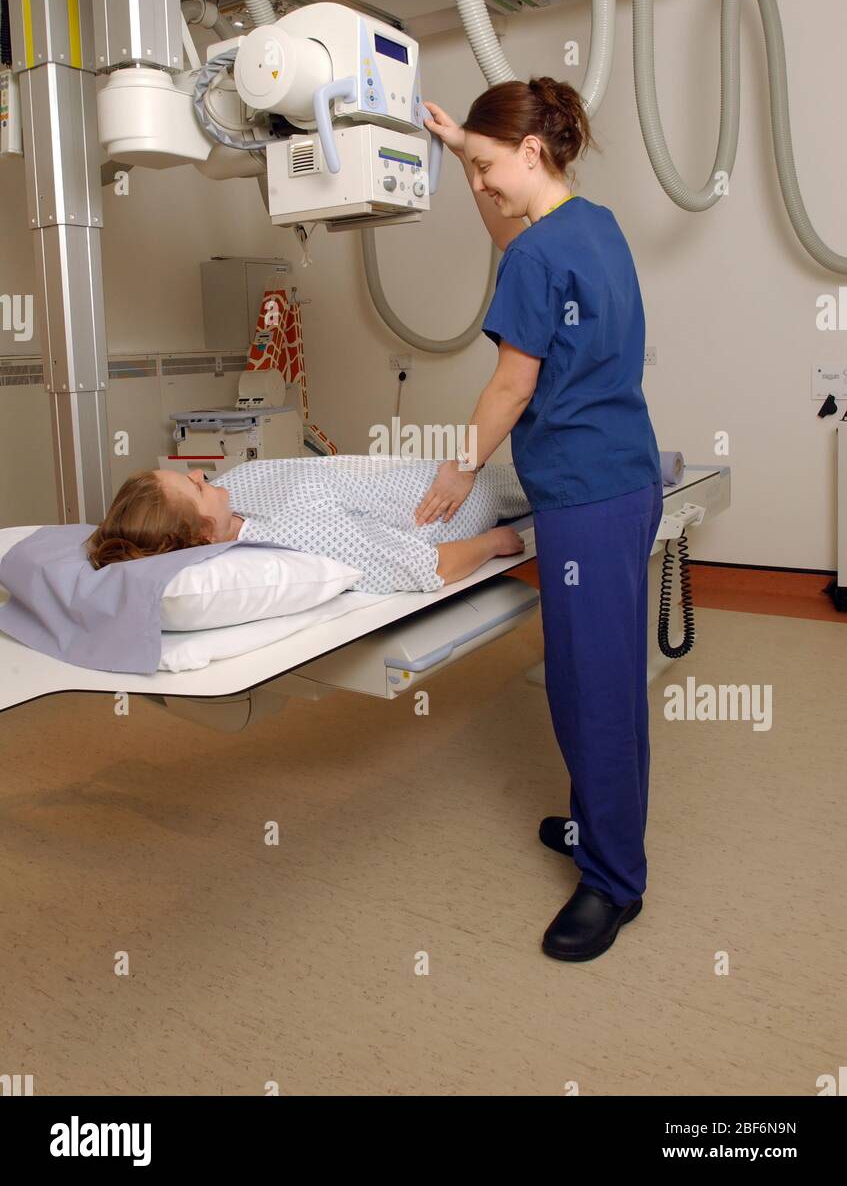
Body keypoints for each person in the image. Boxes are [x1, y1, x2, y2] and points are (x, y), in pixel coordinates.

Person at [416, 77, 664, 962]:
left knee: (586, 689)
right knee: (608, 677)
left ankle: (611, 882)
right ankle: (606, 830)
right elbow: (509, 234)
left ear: (530, 151)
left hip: (586, 499)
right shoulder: (590, 225)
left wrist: (458, 469)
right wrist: (459, 155)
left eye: (486, 167)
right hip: (624, 482)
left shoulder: (537, 255)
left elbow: (511, 385)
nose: (480, 185)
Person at [85, 456, 529, 594]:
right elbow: (425, 566)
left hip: (416, 471)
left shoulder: (231, 493)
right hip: (458, 500)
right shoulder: (297, 536)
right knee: (558, 479)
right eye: (194, 485)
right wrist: (492, 543)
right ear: (203, 534)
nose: (201, 475)